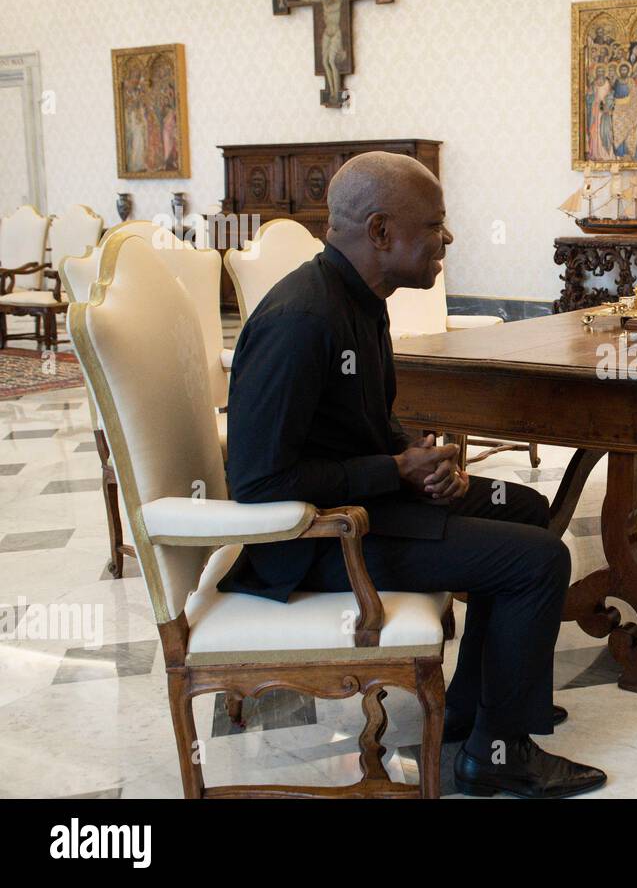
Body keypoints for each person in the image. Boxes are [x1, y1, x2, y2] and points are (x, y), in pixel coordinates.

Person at [221, 151, 606, 799]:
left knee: (525, 507)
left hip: (368, 505)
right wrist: (393, 468)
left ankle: (472, 705)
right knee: (536, 562)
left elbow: (365, 423)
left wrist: (421, 463)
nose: (447, 240)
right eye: (434, 226)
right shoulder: (302, 319)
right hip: (311, 543)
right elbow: (259, 485)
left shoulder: (360, 298)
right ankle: (499, 755)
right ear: (379, 232)